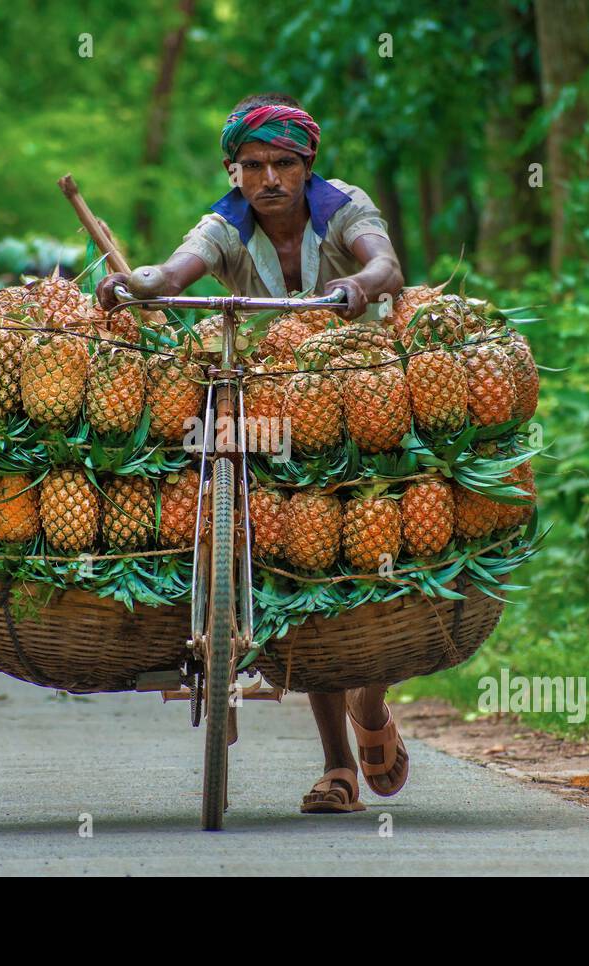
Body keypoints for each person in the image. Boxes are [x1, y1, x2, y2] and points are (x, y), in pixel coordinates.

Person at [98, 93, 409, 815]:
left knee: (386, 557)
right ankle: (338, 770)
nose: (270, 178)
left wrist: (357, 287)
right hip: (274, 408)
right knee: (301, 564)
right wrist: (134, 284)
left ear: (307, 168)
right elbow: (176, 271)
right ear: (234, 171)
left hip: (366, 402)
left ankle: (371, 703)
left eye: (284, 164)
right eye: (254, 165)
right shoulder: (225, 225)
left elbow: (385, 264)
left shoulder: (344, 208)